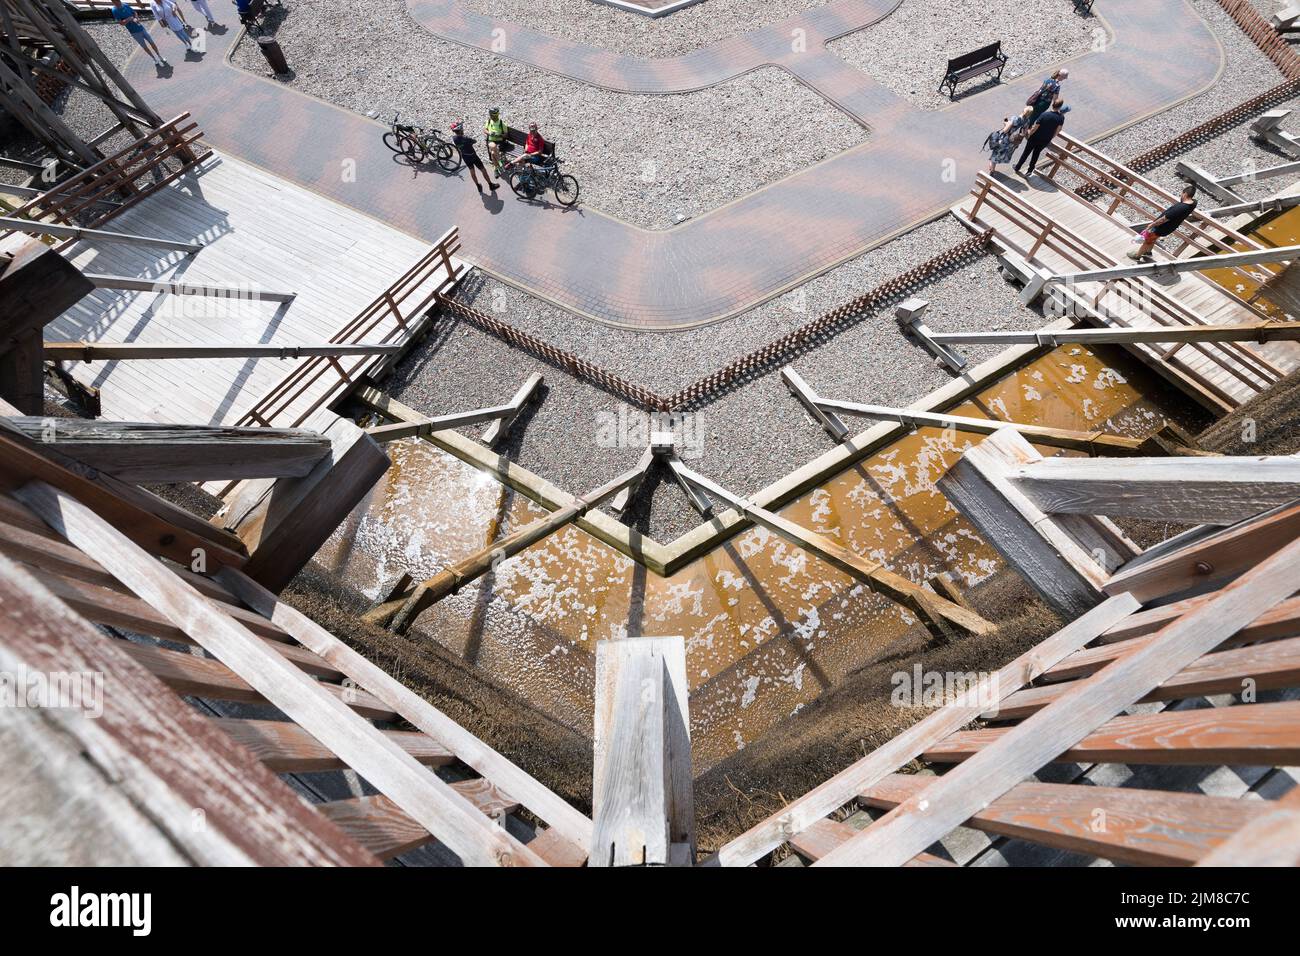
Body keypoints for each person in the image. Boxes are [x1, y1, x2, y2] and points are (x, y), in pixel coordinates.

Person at [1128, 184, 1198, 261]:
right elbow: (1193, 201)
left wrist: (1151, 225)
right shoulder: (1193, 203)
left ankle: (1137, 255)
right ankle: (1148, 252)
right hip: (1171, 227)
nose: (1181, 196)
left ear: (1185, 194)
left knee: (1148, 240)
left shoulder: (1180, 208)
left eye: (1182, 194)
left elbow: (1163, 219)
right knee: (1153, 238)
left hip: (1163, 227)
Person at [1014, 98, 1068, 178]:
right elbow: (1058, 130)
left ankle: (1017, 167)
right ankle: (1030, 170)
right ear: (1060, 107)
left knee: (1026, 152)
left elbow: (1035, 127)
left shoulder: (1044, 115)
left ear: (1053, 105)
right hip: (1045, 140)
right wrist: (1051, 137)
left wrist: (1029, 134)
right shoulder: (1061, 118)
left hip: (1034, 137)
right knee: (1036, 154)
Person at [110, 0, 167, 66]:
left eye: (118, 1)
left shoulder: (125, 5)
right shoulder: (114, 10)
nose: (118, 2)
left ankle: (160, 56)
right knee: (144, 46)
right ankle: (154, 59)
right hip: (134, 32)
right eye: (115, 1)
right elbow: (121, 23)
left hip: (141, 28)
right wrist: (129, 19)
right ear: (113, 2)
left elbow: (134, 12)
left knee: (151, 42)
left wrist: (136, 18)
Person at [450, 121, 498, 194]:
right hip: (473, 156)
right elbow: (474, 141)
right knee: (483, 170)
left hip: (465, 157)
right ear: (460, 130)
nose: (463, 129)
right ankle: (490, 185)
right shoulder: (466, 138)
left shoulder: (454, 138)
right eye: (462, 128)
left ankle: (478, 185)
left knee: (472, 171)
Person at [986, 106, 1033, 174]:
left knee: (995, 153)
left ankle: (992, 170)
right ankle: (993, 167)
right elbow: (1024, 133)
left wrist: (1005, 123)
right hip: (1013, 141)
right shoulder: (1027, 121)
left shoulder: (1015, 118)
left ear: (1023, 110)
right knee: (1002, 153)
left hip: (1005, 139)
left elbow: (1006, 130)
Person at [483, 107, 508, 180]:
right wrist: (490, 133)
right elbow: (484, 130)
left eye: (492, 116)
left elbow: (506, 135)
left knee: (493, 153)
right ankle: (500, 163)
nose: (491, 117)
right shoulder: (489, 121)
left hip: (500, 141)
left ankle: (496, 169)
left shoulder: (501, 123)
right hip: (491, 141)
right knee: (493, 146)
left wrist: (498, 134)